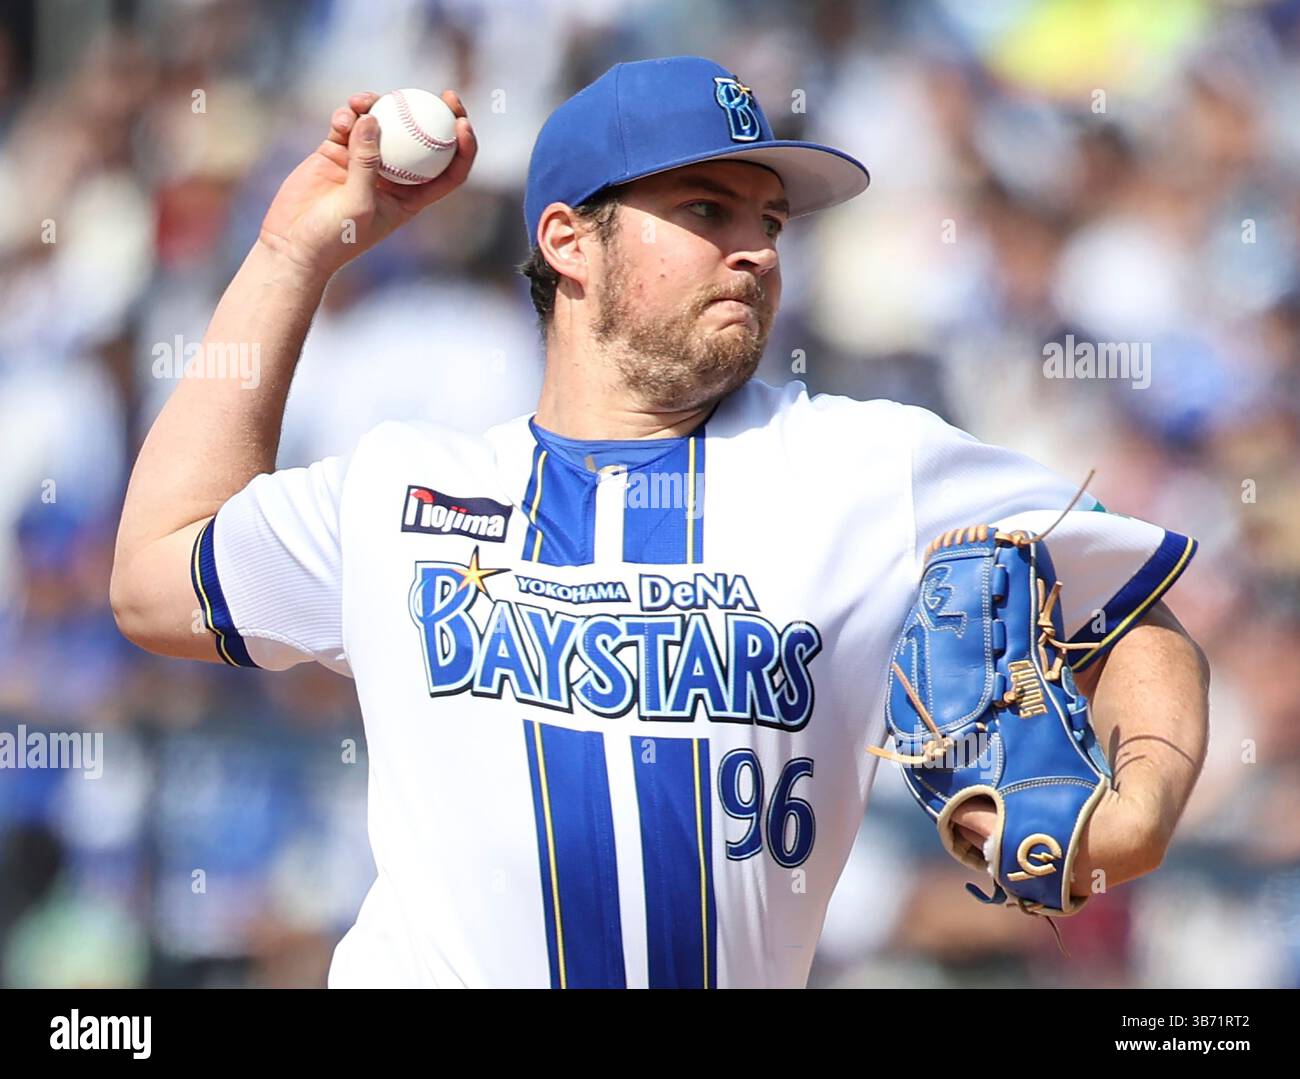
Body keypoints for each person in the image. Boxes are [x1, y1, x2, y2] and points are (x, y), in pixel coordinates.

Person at [110, 56, 1209, 988]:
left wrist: (1144, 799)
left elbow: (1132, 608)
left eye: (768, 219)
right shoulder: (406, 489)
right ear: (567, 241)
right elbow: (155, 575)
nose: (759, 248)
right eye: (704, 211)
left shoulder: (870, 465)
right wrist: (291, 252)